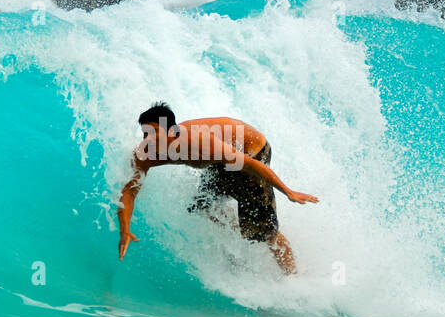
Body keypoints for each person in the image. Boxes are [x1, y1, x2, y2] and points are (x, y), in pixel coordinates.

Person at [116, 103, 318, 274]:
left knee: (263, 232)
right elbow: (129, 191)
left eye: (154, 134)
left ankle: (293, 275)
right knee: (203, 207)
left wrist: (288, 191)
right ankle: (242, 233)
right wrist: (124, 230)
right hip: (220, 159)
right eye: (145, 134)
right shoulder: (146, 153)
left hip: (251, 150)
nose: (148, 140)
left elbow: (250, 164)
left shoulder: (196, 143)